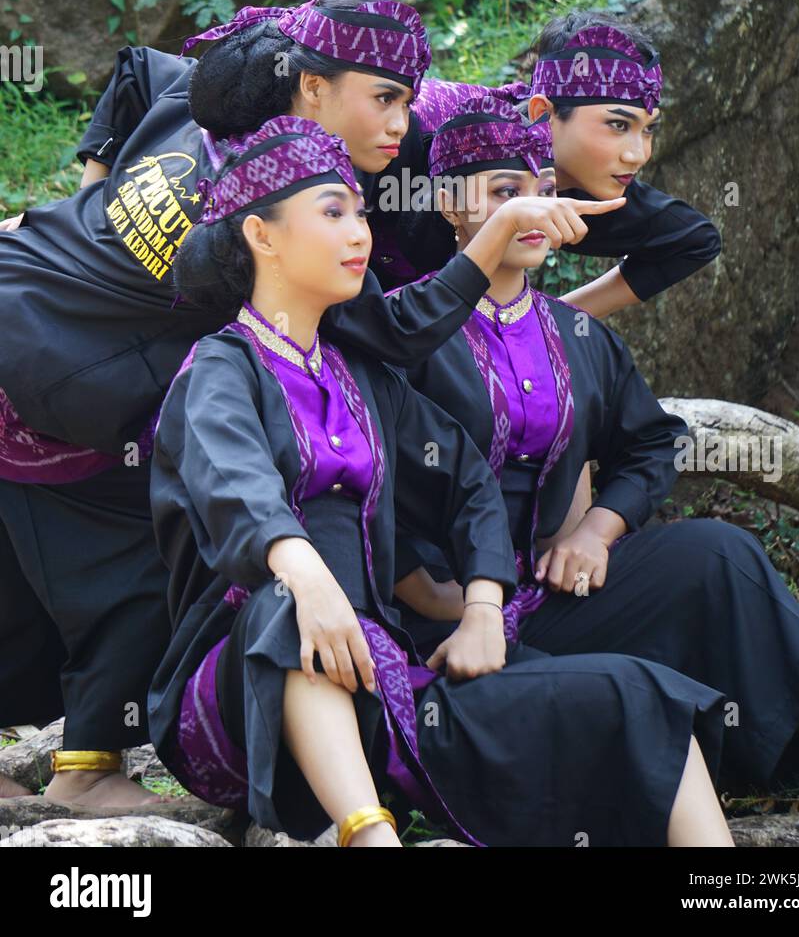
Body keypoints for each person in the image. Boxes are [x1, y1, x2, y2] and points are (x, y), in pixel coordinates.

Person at [0, 0, 617, 809]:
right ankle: (89, 770)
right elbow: (387, 333)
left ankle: (83, 765)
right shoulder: (274, 190)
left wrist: (91, 202)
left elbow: (138, 74)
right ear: (316, 88)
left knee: (44, 555)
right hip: (55, 367)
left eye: (408, 99)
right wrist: (496, 241)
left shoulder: (227, 85)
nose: (400, 126)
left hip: (29, 289)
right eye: (385, 100)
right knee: (159, 535)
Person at [148, 113, 738, 847]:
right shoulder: (218, 370)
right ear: (262, 236)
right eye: (333, 213)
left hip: (382, 674)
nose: (360, 233)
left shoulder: (361, 374)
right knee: (284, 605)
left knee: (638, 693)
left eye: (361, 213)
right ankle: (368, 836)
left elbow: (466, 483)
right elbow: (235, 488)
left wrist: (485, 608)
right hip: (241, 692)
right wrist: (309, 578)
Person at [391, 93, 799, 818]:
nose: (534, 212)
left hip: (552, 600)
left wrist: (597, 529)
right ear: (447, 204)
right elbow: (359, 483)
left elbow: (653, 441)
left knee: (718, 552)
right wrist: (435, 597)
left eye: (543, 193)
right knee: (619, 688)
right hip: (451, 629)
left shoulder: (578, 336)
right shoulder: (405, 333)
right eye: (505, 194)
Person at [371, 12, 720, 318]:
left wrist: (552, 327)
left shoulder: (593, 183)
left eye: (649, 129)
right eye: (618, 125)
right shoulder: (422, 122)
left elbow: (692, 239)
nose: (638, 154)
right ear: (544, 113)